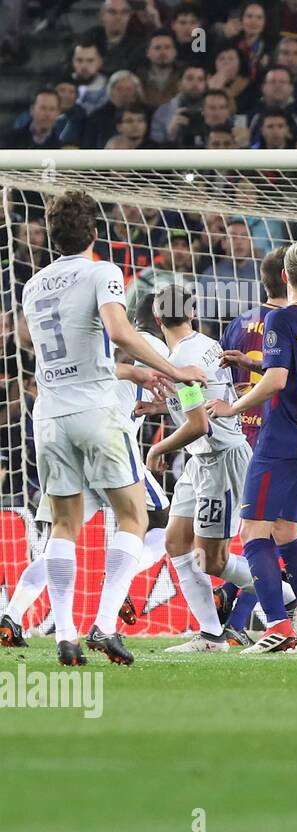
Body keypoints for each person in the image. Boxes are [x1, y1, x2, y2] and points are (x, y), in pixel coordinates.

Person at [16, 190, 206, 665]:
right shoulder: (103, 272)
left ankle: (65, 635)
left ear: (52, 237)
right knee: (134, 518)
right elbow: (119, 332)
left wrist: (129, 371)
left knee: (64, 525)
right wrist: (175, 371)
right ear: (95, 233)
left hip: (49, 414)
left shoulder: (33, 285)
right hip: (97, 411)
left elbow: (41, 342)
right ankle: (104, 625)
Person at [0, 304, 173, 649]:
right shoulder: (157, 350)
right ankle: (117, 584)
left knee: (62, 537)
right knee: (163, 522)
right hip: (114, 447)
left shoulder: (106, 344)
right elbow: (184, 401)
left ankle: (12, 616)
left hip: (72, 441)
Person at [206, 241, 297, 654]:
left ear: (284, 276)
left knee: (253, 531)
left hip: (280, 436)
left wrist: (232, 407)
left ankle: (277, 625)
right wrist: (251, 363)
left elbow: (279, 379)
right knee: (287, 530)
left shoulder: (279, 318)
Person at [139, 290, 253, 653]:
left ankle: (296, 600)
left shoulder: (180, 360)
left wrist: (157, 448)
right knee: (175, 542)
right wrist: (160, 408)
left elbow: (199, 424)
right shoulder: (205, 344)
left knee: (213, 560)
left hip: (220, 459)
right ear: (192, 314)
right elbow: (197, 404)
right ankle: (211, 635)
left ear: (158, 320)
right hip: (200, 460)